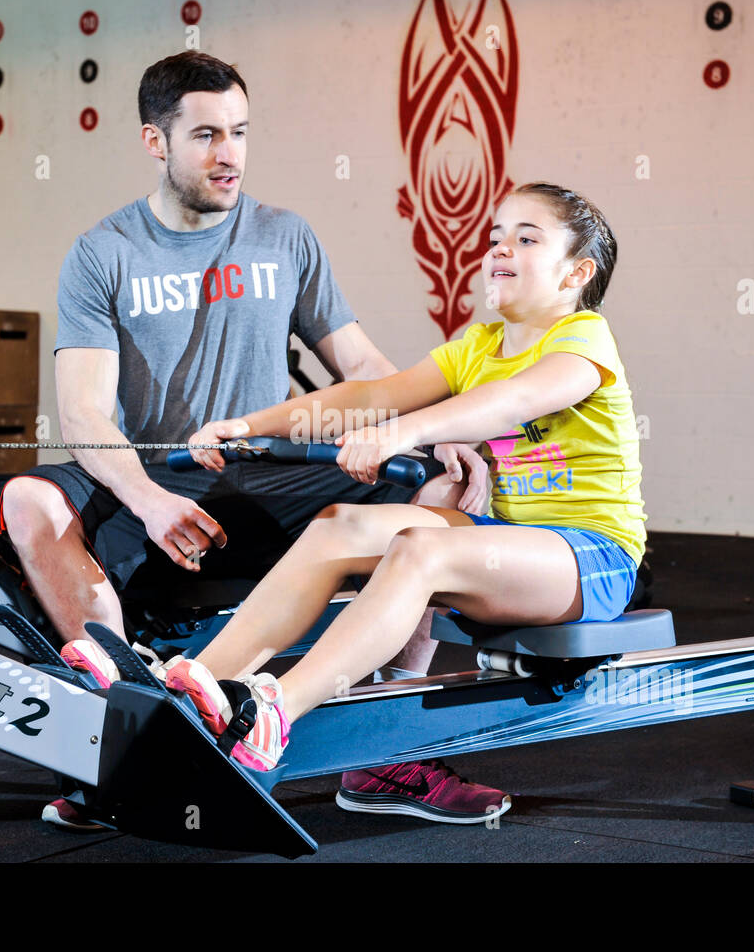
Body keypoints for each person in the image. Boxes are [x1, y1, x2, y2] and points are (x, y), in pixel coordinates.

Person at [0, 51, 502, 828]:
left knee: (434, 484)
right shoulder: (104, 254)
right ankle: (129, 733)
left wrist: (447, 428)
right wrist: (152, 501)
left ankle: (381, 749)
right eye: (204, 135)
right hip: (157, 477)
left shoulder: (285, 237)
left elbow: (361, 365)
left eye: (238, 132)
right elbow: (86, 417)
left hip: (270, 476)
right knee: (29, 499)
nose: (227, 153)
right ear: (154, 141)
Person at [165, 183, 648, 809]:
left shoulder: (583, 338)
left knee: (419, 547)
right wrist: (249, 425)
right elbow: (367, 396)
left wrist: (405, 429)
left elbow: (515, 400)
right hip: (512, 544)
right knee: (340, 524)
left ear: (576, 272)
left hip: (594, 557)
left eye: (527, 239)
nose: (501, 248)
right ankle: (201, 686)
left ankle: (275, 709)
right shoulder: (479, 345)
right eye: (497, 235)